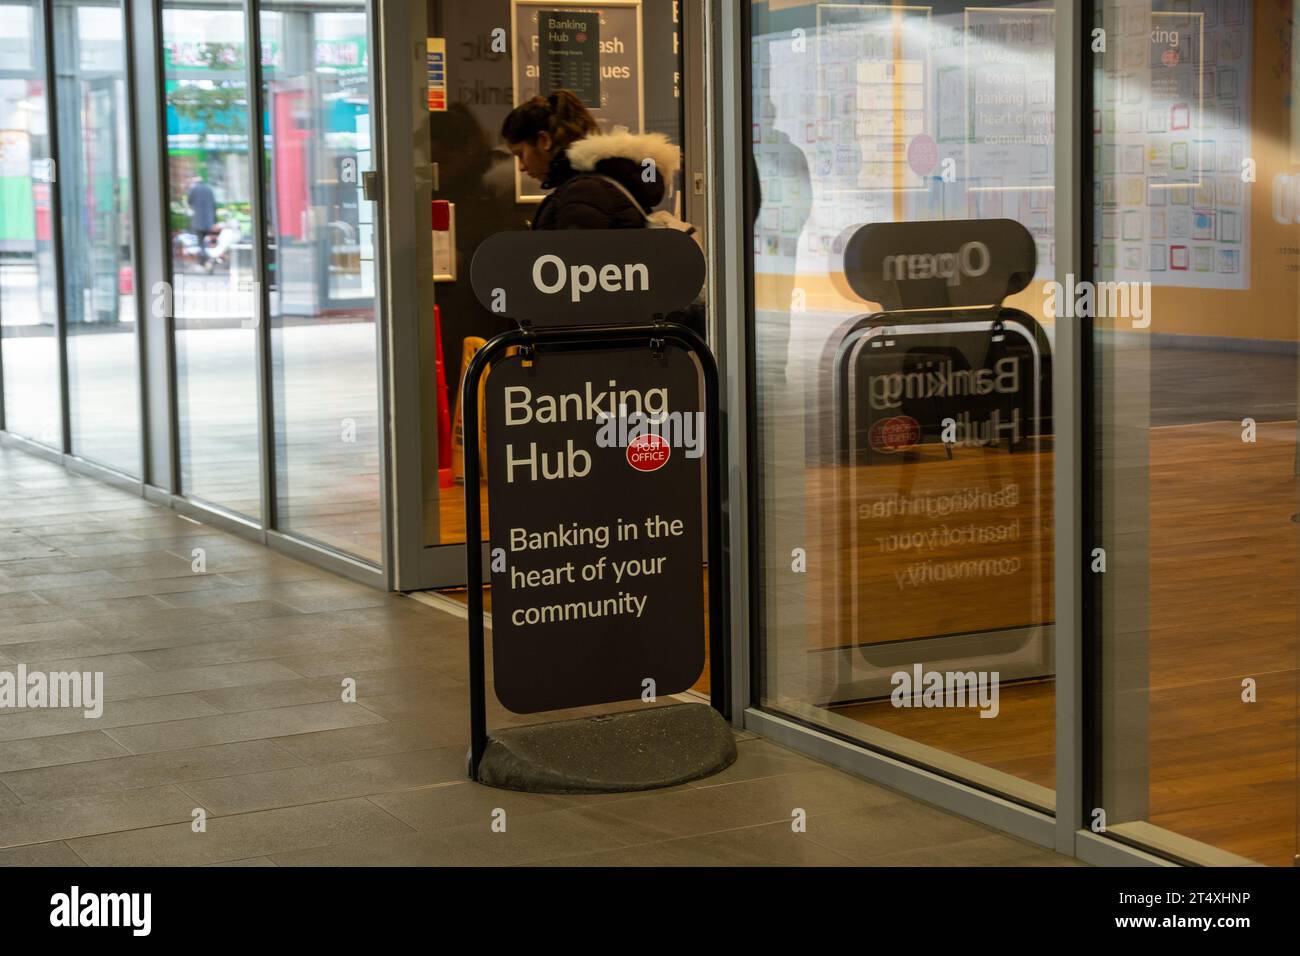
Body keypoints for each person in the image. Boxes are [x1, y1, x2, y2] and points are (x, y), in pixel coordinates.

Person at [501, 90, 678, 230]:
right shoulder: (597, 185)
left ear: (544, 141)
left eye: (520, 154)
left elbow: (574, 268)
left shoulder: (583, 192)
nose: (521, 167)